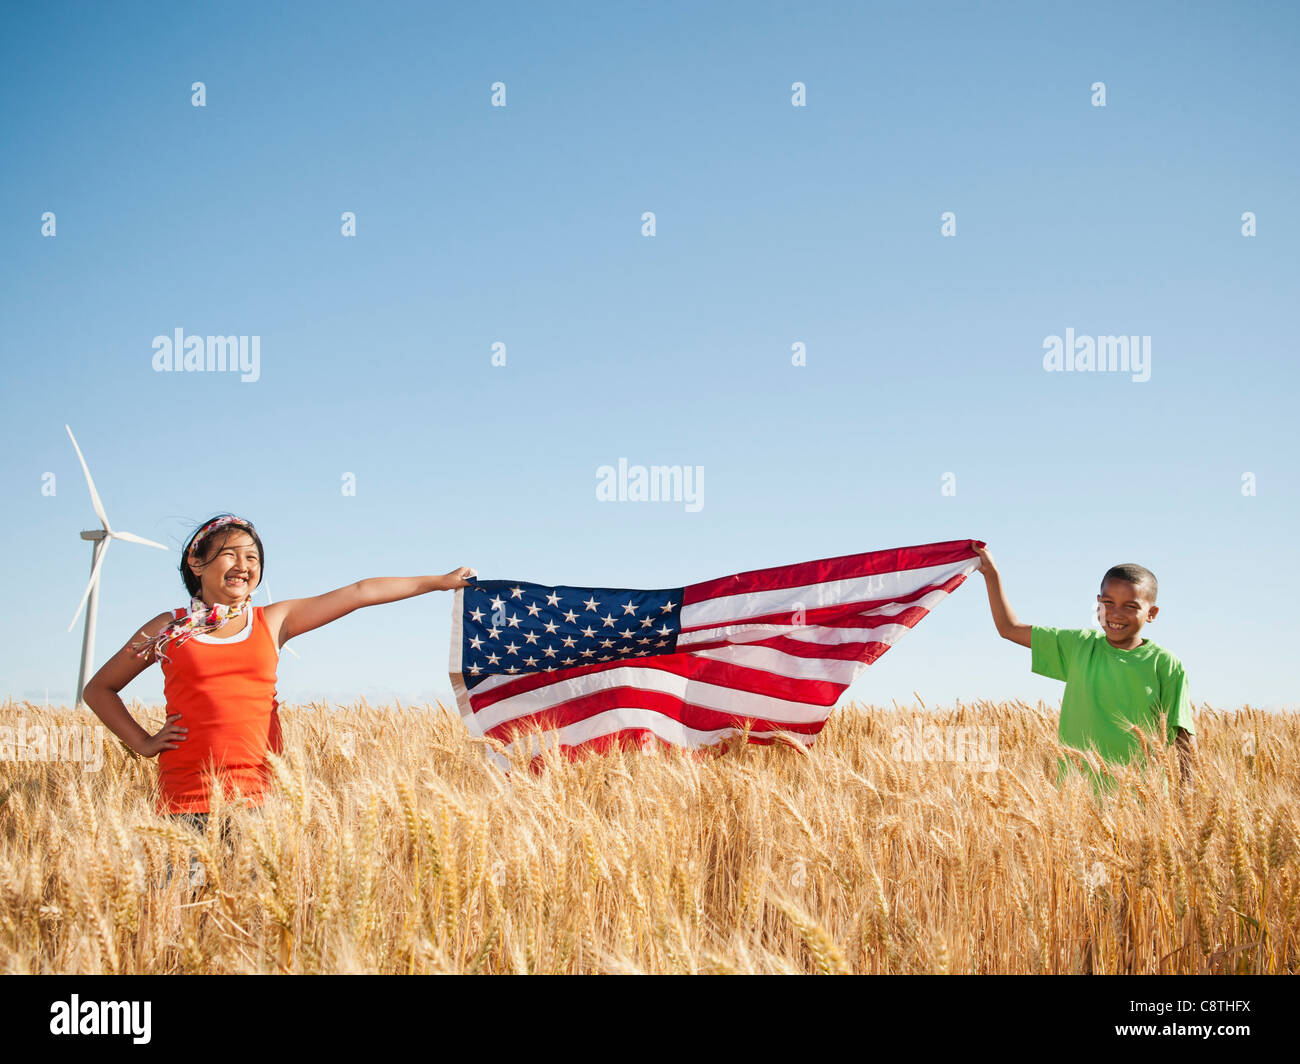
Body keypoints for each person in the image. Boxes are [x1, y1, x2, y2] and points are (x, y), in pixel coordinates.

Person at [83, 513, 475, 827]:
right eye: (230, 554)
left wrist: (439, 582)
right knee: (185, 917)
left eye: (252, 557)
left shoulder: (272, 621)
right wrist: (144, 743)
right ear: (196, 562)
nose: (243, 565)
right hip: (183, 801)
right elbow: (99, 689)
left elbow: (359, 593)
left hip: (258, 799)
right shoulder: (167, 628)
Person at [974, 545, 1194, 794]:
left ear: (1151, 613)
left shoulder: (1165, 664)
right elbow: (1009, 628)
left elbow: (1183, 737)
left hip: (1142, 803)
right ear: (1098, 604)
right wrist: (991, 574)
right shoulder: (1079, 646)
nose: (1116, 613)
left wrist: (1186, 799)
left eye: (1130, 606)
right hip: (1077, 799)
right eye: (1108, 603)